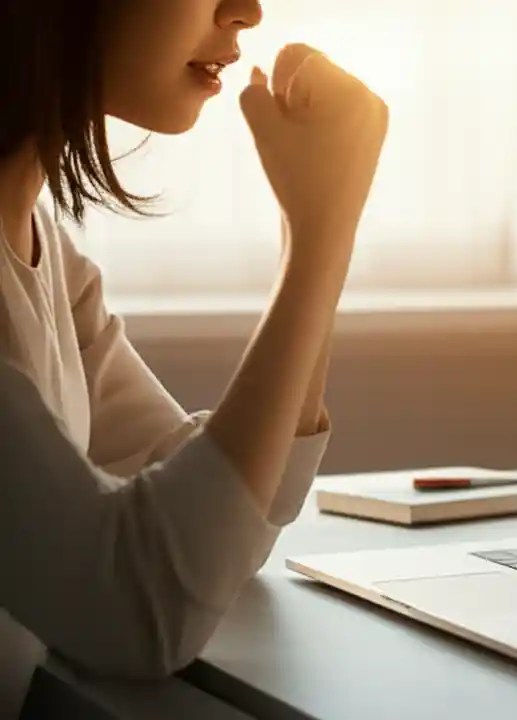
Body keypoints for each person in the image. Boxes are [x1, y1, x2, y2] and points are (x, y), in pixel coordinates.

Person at [0, 0, 388, 714]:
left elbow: (234, 514)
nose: (247, 10)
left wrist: (318, 235)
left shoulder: (41, 246)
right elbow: (135, 612)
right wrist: (318, 239)